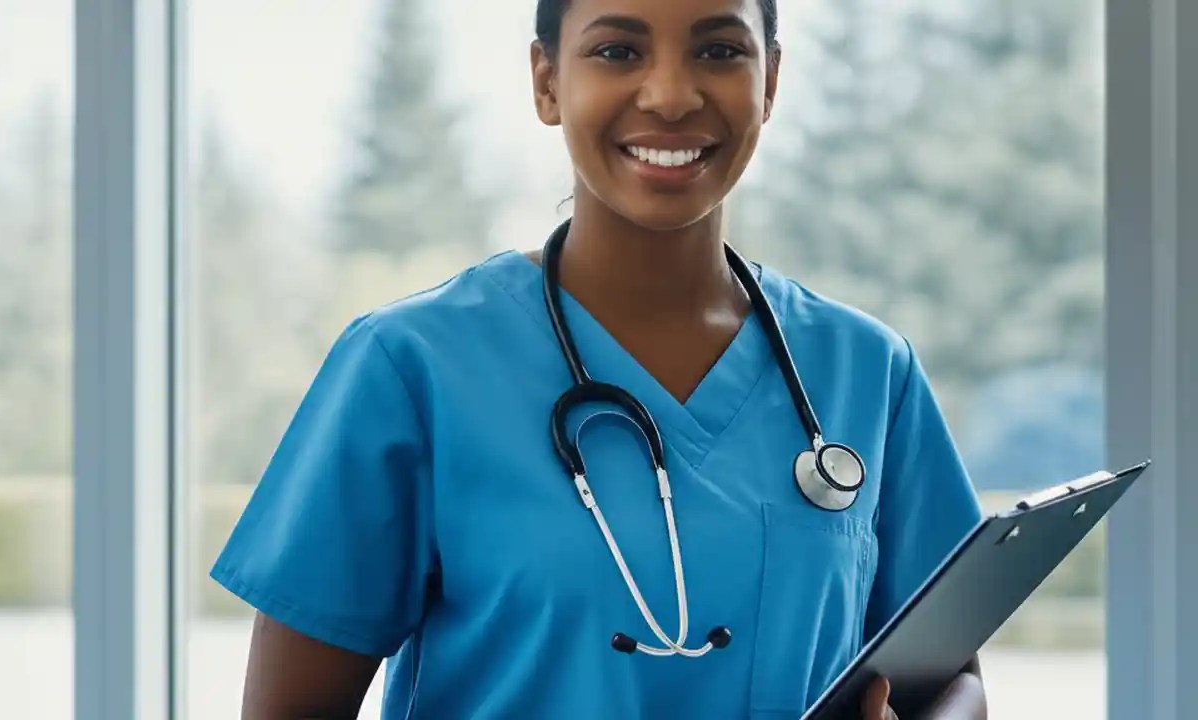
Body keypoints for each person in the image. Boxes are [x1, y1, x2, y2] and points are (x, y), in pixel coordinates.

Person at [209, 0, 989, 718]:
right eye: (618, 50)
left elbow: (951, 679)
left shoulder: (867, 370)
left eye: (719, 50)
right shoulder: (409, 368)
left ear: (771, 81)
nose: (672, 94)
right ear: (548, 82)